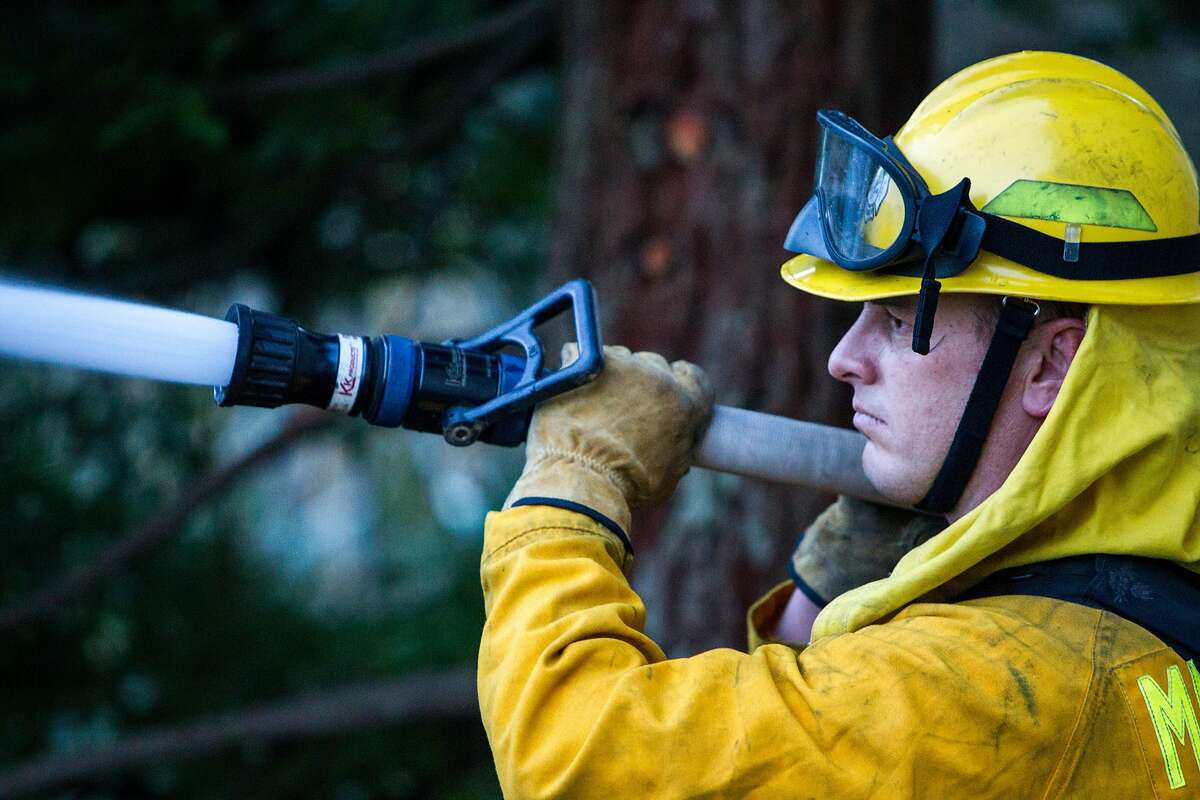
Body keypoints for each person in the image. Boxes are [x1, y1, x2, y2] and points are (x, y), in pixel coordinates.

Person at [476, 51, 1200, 798]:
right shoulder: (1147, 631)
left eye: (892, 321)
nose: (843, 359)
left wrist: (575, 482)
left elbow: (572, 757)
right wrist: (831, 598)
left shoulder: (982, 693)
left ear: (1050, 365)